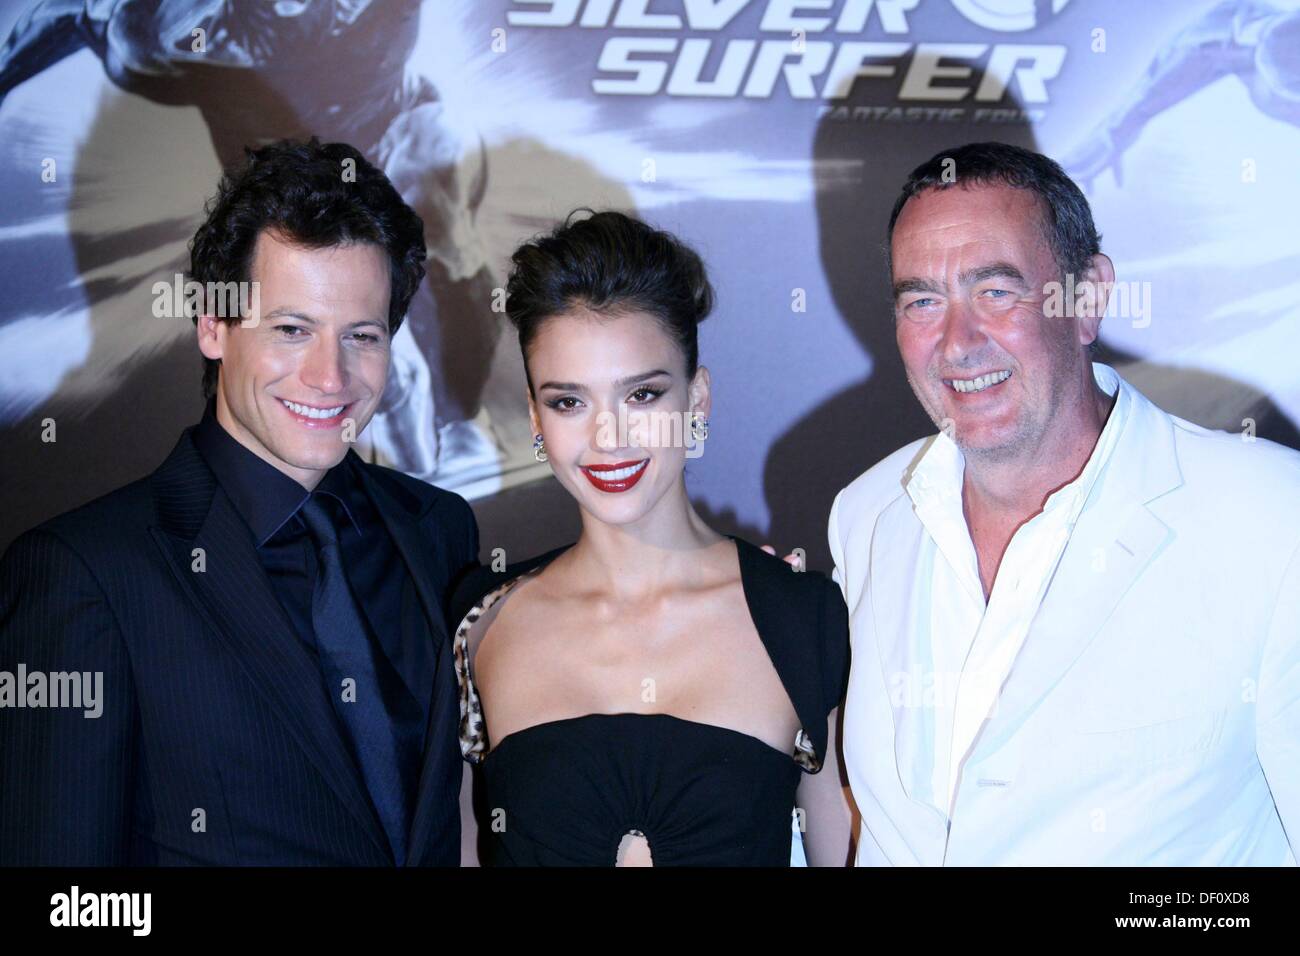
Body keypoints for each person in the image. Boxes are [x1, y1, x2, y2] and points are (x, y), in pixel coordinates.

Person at [0, 138, 479, 865]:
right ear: (214, 326)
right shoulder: (85, 575)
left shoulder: (440, 532)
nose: (330, 376)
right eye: (291, 330)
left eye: (362, 335)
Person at [829, 141, 1300, 865]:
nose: (957, 342)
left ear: (1088, 298)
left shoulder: (1271, 520)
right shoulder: (868, 515)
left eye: (997, 291)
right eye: (923, 300)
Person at [449, 210, 853, 866]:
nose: (608, 438)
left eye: (641, 395)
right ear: (534, 417)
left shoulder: (804, 620)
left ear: (696, 401)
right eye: (569, 402)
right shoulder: (478, 624)